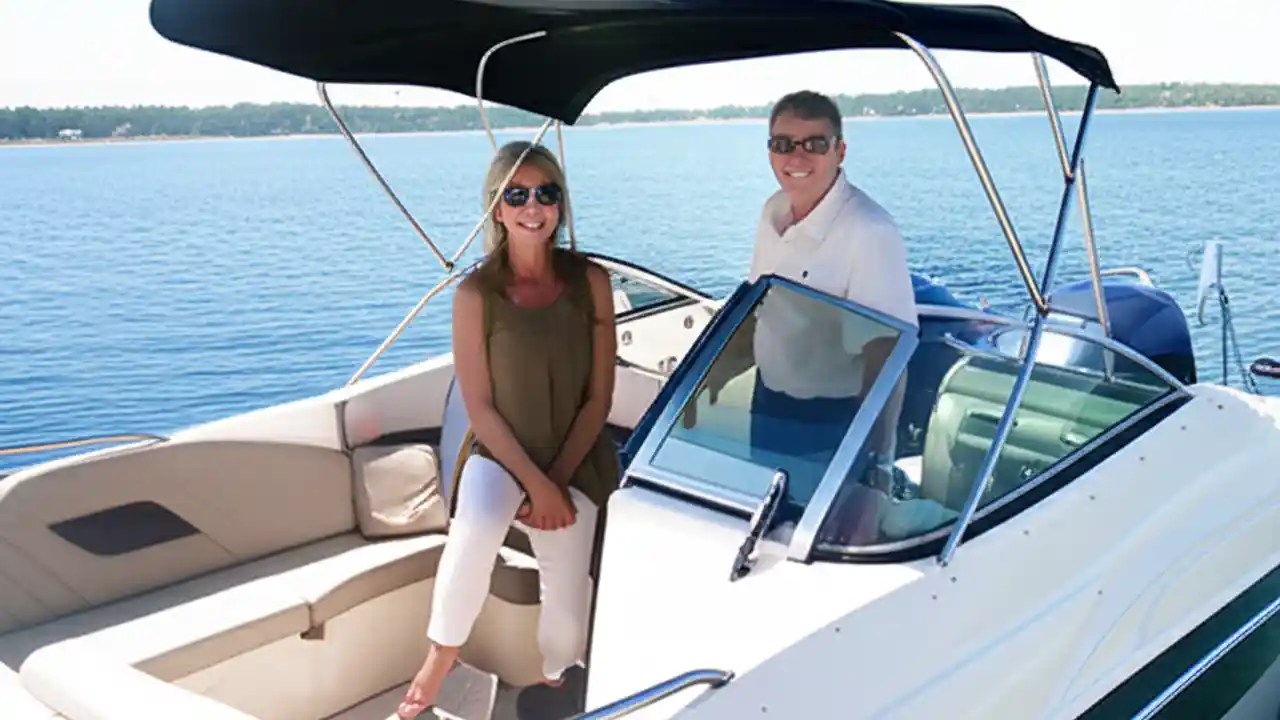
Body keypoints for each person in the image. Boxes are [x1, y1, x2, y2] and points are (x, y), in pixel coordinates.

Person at [397, 141, 619, 718]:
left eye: (545, 193)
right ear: (496, 209)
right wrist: (534, 485)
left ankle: (554, 683)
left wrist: (558, 480)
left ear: (560, 205)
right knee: (474, 529)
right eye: (515, 195)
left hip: (575, 457)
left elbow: (599, 398)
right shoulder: (475, 295)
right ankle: (437, 662)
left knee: (567, 611)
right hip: (499, 454)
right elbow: (480, 407)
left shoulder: (591, 281)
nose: (532, 206)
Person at [691, 90, 918, 500]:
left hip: (831, 420)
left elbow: (887, 357)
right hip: (768, 405)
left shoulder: (870, 232)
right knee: (767, 521)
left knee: (818, 543)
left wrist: (876, 465)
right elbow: (760, 311)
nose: (796, 158)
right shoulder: (772, 210)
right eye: (783, 145)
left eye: (815, 144)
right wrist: (712, 376)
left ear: (840, 150)